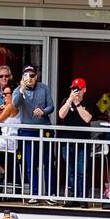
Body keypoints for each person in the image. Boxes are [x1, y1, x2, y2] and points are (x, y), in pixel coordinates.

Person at [12, 63, 53, 202]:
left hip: (44, 130)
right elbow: (15, 104)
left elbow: (51, 106)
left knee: (48, 163)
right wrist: (22, 89)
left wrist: (43, 111)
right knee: (31, 164)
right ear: (22, 77)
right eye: (26, 75)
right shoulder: (19, 90)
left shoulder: (44, 88)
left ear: (37, 76)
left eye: (32, 75)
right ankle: (34, 194)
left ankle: (50, 194)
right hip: (27, 131)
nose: (29, 78)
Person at [57, 76, 93, 204]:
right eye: (73, 89)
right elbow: (61, 115)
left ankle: (83, 198)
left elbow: (87, 118)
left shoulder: (87, 103)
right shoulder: (65, 101)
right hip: (67, 141)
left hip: (83, 142)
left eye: (78, 89)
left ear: (84, 90)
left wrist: (77, 103)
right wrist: (69, 101)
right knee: (70, 170)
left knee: (81, 170)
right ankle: (73, 197)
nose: (75, 91)